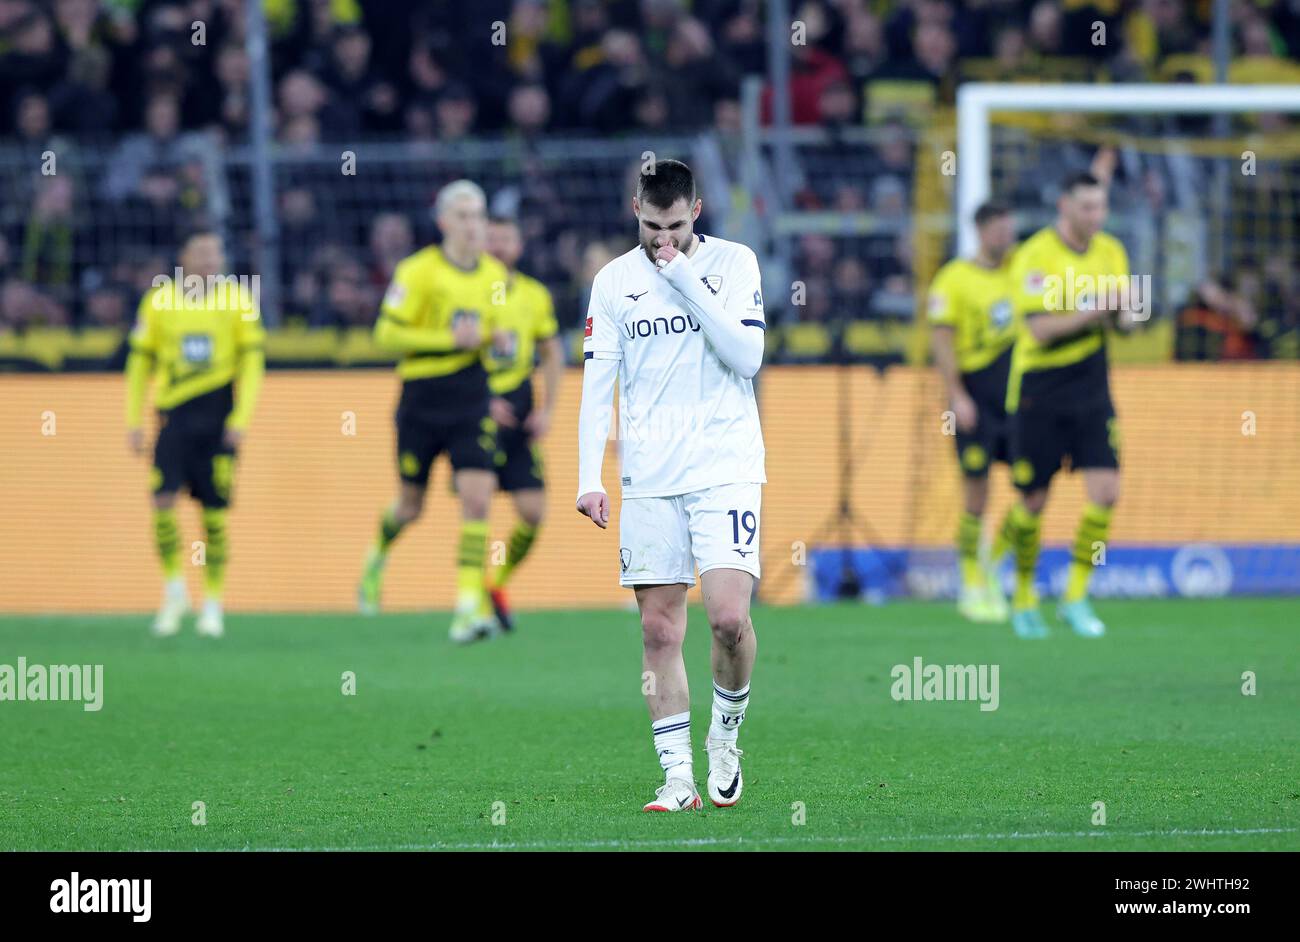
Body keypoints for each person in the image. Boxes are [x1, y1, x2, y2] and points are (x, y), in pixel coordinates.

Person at [576, 159, 766, 811]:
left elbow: (746, 358)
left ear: (698, 212)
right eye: (653, 226)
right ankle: (677, 776)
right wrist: (587, 477)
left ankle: (726, 735)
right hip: (651, 478)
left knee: (729, 620)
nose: (664, 239)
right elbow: (597, 385)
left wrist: (685, 279)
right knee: (659, 631)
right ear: (636, 209)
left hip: (725, 469)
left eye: (676, 226)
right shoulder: (612, 283)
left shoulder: (735, 265)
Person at [359, 180, 507, 644]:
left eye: (479, 215)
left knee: (477, 498)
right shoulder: (417, 270)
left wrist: (496, 343)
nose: (472, 225)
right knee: (410, 506)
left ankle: (466, 607)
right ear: (443, 221)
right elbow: (385, 334)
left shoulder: (495, 276)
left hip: (471, 394)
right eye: (463, 216)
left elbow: (496, 331)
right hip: (422, 397)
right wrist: (448, 340)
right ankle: (376, 557)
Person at [1003, 171, 1138, 639]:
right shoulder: (1034, 254)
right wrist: (1099, 307)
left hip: (1092, 387)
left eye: (1101, 207)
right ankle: (1022, 595)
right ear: (1064, 205)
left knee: (1106, 493)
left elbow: (1127, 326)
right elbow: (1039, 329)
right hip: (1040, 387)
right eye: (1086, 208)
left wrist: (1126, 310)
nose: (1095, 217)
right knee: (1034, 500)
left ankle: (1076, 595)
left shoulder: (1112, 251)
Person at [125, 229, 265, 638]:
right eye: (201, 252)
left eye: (215, 252)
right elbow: (139, 366)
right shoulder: (158, 302)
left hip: (217, 420)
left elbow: (253, 366)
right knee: (162, 500)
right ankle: (174, 592)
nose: (209, 260)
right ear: (183, 256)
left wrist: (241, 420)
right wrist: (132, 421)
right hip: (174, 419)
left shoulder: (238, 301)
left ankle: (213, 604)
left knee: (214, 516)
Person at [928, 202, 1018, 622]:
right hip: (977, 397)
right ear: (982, 231)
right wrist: (957, 396)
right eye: (1000, 228)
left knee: (1034, 488)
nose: (1007, 236)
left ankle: (994, 562)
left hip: (1020, 397)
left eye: (1010, 228)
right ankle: (971, 581)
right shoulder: (955, 279)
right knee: (977, 493)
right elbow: (942, 341)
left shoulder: (1024, 271)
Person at [480, 216, 564, 630]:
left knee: (533, 512)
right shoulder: (467, 290)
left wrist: (547, 409)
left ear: (518, 245)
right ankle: (473, 598)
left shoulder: (533, 295)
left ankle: (496, 581)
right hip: (474, 415)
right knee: (474, 506)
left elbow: (550, 353)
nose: (498, 245)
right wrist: (478, 400)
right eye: (491, 238)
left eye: (506, 238)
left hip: (518, 414)